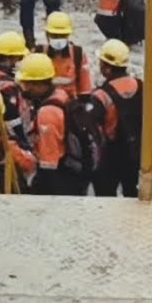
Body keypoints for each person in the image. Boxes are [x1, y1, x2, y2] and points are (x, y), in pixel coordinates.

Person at [15, 53, 89, 196]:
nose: (24, 88)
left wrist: (39, 187)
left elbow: (48, 162)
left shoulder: (47, 113)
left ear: (35, 84)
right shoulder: (60, 94)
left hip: (62, 178)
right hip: (75, 170)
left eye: (26, 83)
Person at [90, 39, 142, 198]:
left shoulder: (101, 95)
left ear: (107, 68)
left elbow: (94, 131)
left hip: (110, 154)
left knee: (105, 196)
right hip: (136, 151)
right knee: (132, 194)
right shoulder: (141, 86)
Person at [37, 12, 92, 98]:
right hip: (44, 103)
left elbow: (85, 89)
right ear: (47, 34)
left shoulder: (78, 54)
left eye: (62, 36)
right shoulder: (38, 54)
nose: (58, 39)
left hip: (71, 104)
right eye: (54, 35)